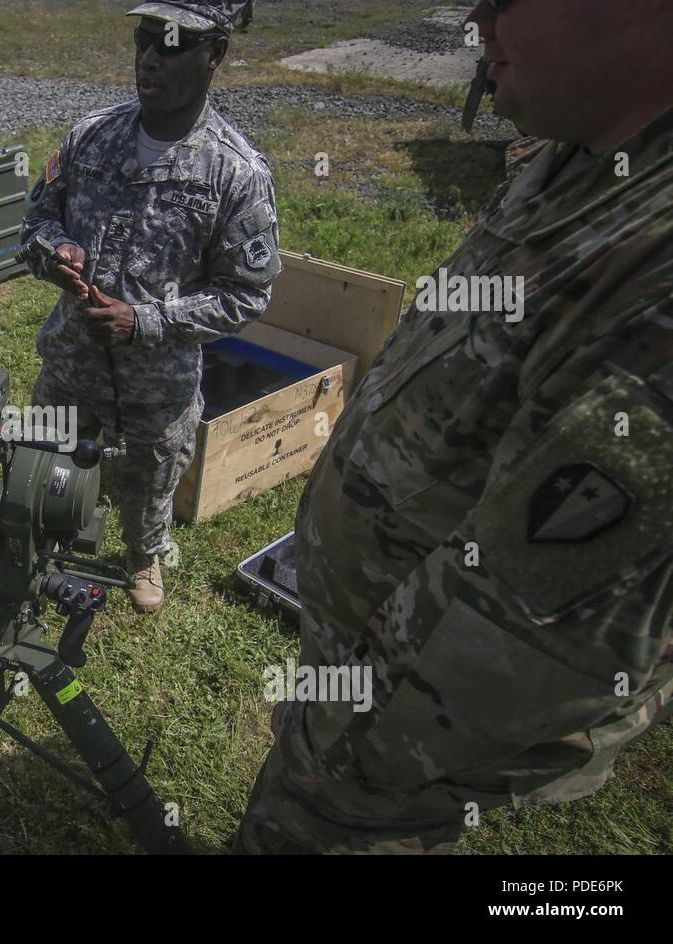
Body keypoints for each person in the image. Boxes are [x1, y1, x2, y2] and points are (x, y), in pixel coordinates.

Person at [236, 0, 673, 854]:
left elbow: (516, 640)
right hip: (354, 685)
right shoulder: (581, 160)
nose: (477, 16)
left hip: (387, 747)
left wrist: (340, 748)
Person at [21, 0, 280, 614]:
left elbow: (248, 293)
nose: (149, 59)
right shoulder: (90, 137)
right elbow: (35, 219)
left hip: (156, 381)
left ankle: (144, 555)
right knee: (46, 462)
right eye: (143, 41)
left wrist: (146, 322)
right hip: (71, 363)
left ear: (214, 56)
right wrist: (52, 249)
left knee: (149, 479)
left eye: (171, 46)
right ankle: (43, 548)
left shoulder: (235, 172)